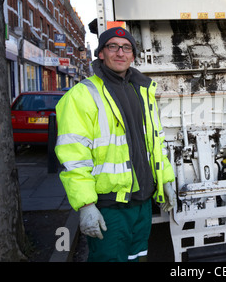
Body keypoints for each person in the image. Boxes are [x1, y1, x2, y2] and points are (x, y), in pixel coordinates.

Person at [55, 26, 176, 262]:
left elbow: (155, 143)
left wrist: (166, 181)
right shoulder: (82, 95)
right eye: (113, 47)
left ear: (133, 55)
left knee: (138, 258)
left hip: (142, 203)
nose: (120, 53)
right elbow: (73, 156)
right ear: (101, 53)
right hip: (109, 207)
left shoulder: (142, 91)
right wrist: (86, 205)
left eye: (126, 48)